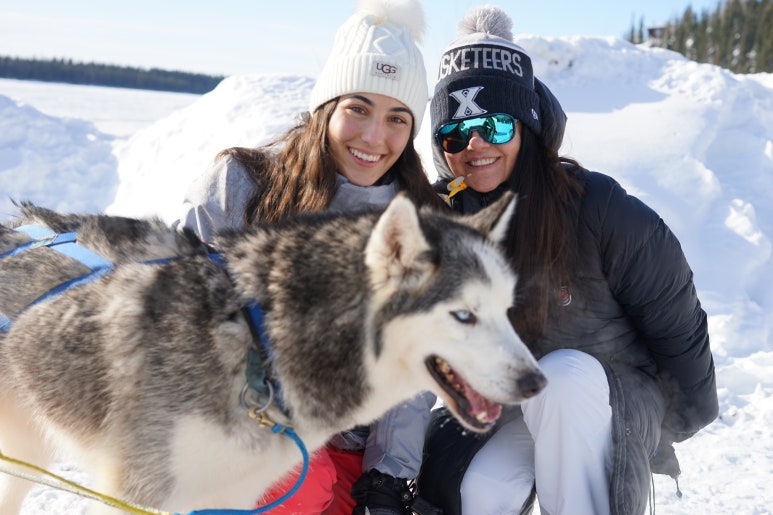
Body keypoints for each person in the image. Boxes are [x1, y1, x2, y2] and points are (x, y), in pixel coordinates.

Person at [416, 5, 719, 515]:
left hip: (607, 395)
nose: (473, 144)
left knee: (565, 376)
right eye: (455, 133)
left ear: (528, 127)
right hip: (512, 398)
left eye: (493, 125)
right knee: (479, 491)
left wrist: (670, 425)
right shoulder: (441, 221)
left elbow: (676, 325)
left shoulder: (598, 208)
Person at [174, 1, 446, 514]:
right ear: (327, 107)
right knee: (300, 482)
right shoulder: (243, 186)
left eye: (397, 118)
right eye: (358, 108)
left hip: (345, 451)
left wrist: (386, 482)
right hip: (233, 430)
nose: (373, 137)